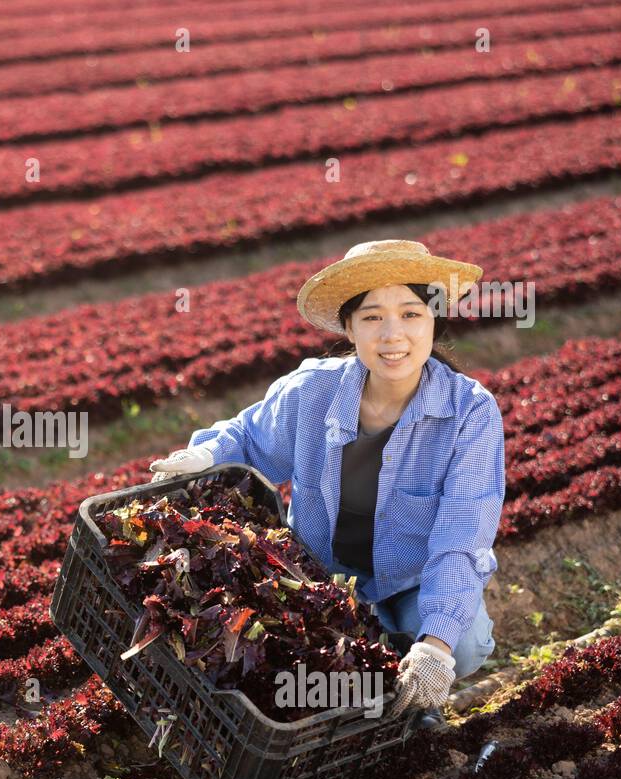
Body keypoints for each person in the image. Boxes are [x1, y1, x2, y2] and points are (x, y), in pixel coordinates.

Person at [150, 239, 505, 728]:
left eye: (410, 314)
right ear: (349, 328)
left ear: (434, 321)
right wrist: (205, 454)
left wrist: (436, 645)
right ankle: (366, 685)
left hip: (410, 584)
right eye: (372, 317)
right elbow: (250, 442)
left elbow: (462, 537)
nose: (392, 335)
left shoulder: (469, 413)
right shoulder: (312, 390)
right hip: (321, 579)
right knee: (301, 664)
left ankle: (410, 672)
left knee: (460, 645)